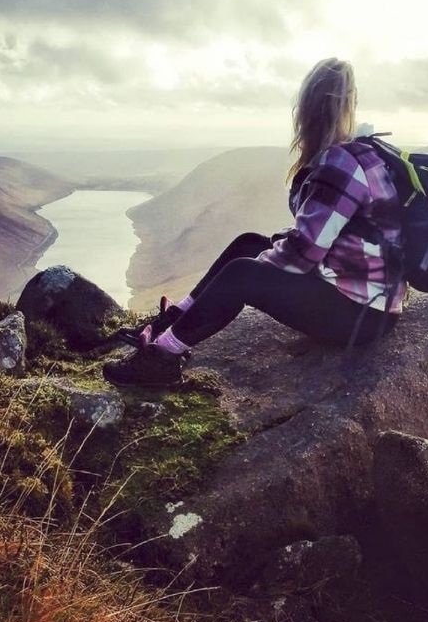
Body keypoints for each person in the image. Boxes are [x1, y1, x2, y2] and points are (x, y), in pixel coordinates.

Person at [103, 57, 407, 388]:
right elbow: (332, 236)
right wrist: (265, 254)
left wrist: (260, 269)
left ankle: (161, 358)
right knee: (248, 243)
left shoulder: (339, 163)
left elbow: (304, 253)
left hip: (359, 316)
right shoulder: (363, 152)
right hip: (365, 299)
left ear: (308, 111)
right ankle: (176, 320)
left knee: (242, 274)